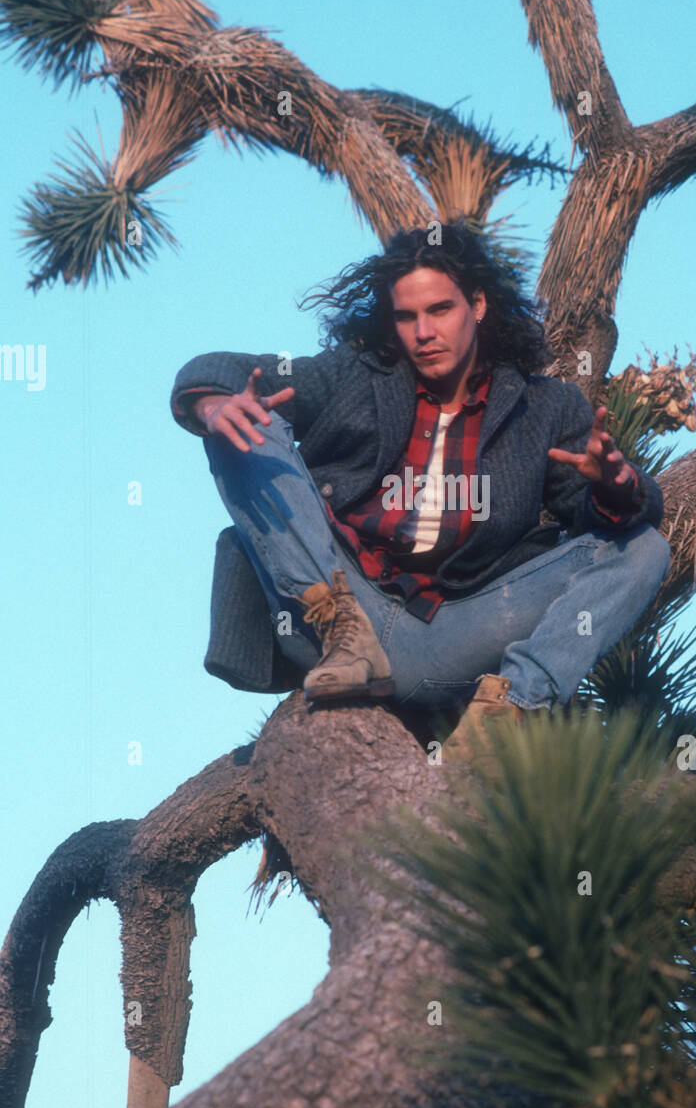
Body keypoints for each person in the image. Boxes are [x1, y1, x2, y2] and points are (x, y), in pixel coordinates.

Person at [170, 221, 670, 755]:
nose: (422, 332)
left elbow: (600, 526)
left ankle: (510, 715)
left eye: (440, 310)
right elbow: (224, 370)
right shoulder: (358, 376)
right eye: (406, 316)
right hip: (333, 616)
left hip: (456, 632)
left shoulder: (545, 407)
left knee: (643, 549)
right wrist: (213, 403)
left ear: (477, 305)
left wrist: (617, 487)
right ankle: (345, 633)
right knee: (242, 425)